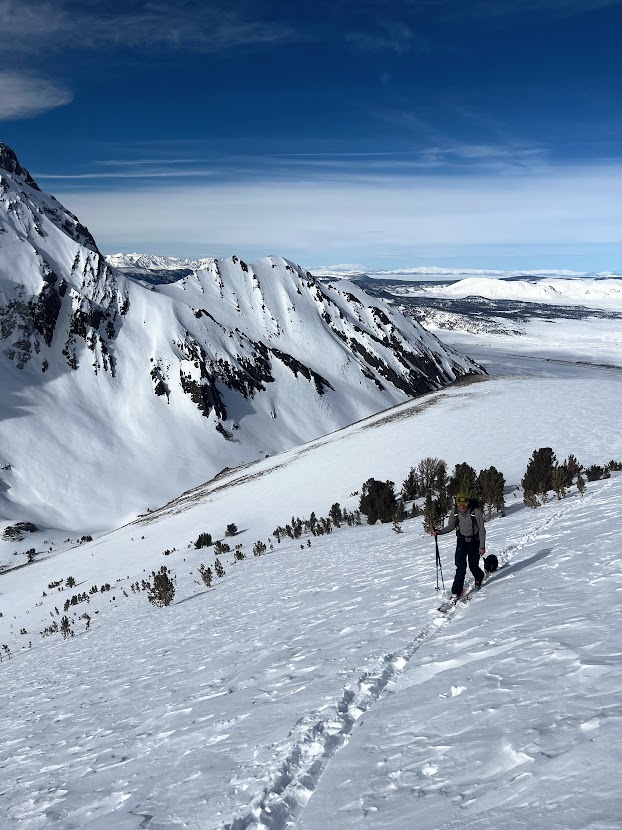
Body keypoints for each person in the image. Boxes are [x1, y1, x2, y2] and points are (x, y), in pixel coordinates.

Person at [432, 492, 486, 598]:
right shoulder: (455, 512)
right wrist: (440, 532)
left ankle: (479, 576)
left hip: (474, 541)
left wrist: (482, 546)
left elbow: (481, 530)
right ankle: (456, 591)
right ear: (457, 503)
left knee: (473, 566)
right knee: (460, 567)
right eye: (459, 504)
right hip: (461, 541)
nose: (462, 506)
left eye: (464, 504)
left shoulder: (476, 512)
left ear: (467, 503)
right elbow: (451, 526)